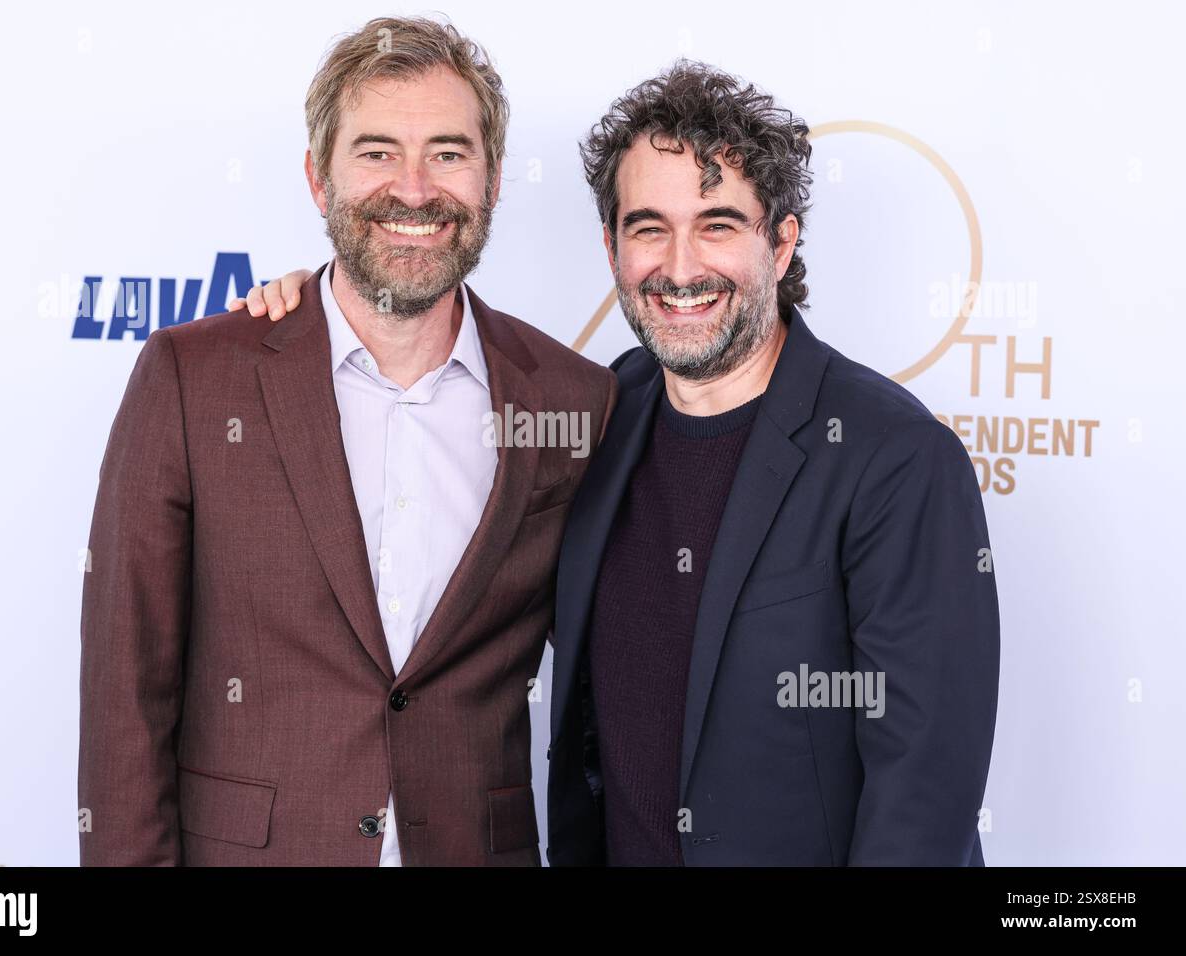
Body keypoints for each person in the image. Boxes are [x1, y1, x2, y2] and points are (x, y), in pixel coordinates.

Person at [244, 61, 1000, 867]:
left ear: (780, 243)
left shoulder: (894, 458)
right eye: (648, 227)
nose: (678, 269)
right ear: (611, 246)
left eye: (717, 225)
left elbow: (923, 795)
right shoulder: (599, 413)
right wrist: (318, 307)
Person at [78, 15, 614, 866]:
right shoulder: (194, 377)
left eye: (448, 151)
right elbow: (124, 693)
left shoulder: (575, 401)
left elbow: (617, 671)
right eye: (375, 152)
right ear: (318, 181)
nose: (413, 188)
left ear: (494, 179)